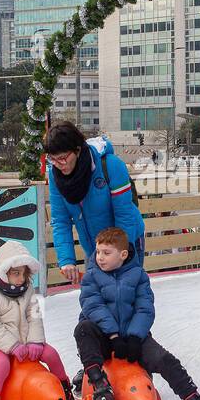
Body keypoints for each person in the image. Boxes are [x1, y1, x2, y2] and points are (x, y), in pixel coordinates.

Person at [73, 227, 200, 400]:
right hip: (104, 336)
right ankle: (99, 384)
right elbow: (93, 306)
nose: (100, 258)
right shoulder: (91, 276)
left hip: (134, 338)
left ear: (123, 254)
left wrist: (134, 337)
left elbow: (145, 308)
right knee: (83, 329)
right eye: (98, 252)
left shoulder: (138, 276)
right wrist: (114, 336)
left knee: (165, 359)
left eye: (107, 253)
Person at [0, 240, 76, 400]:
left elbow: (34, 315)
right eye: (16, 273)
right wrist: (12, 346)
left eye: (24, 273)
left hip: (26, 341)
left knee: (51, 354)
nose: (21, 279)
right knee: (2, 365)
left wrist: (35, 341)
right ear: (3, 272)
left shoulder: (27, 289)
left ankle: (66, 392)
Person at [45, 121, 144, 285]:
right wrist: (67, 260)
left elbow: (124, 214)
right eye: (52, 159)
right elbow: (60, 221)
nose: (58, 165)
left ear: (77, 150)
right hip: (94, 248)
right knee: (96, 298)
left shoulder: (111, 165)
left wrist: (119, 254)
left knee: (124, 295)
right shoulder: (56, 177)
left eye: (62, 158)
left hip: (127, 240)